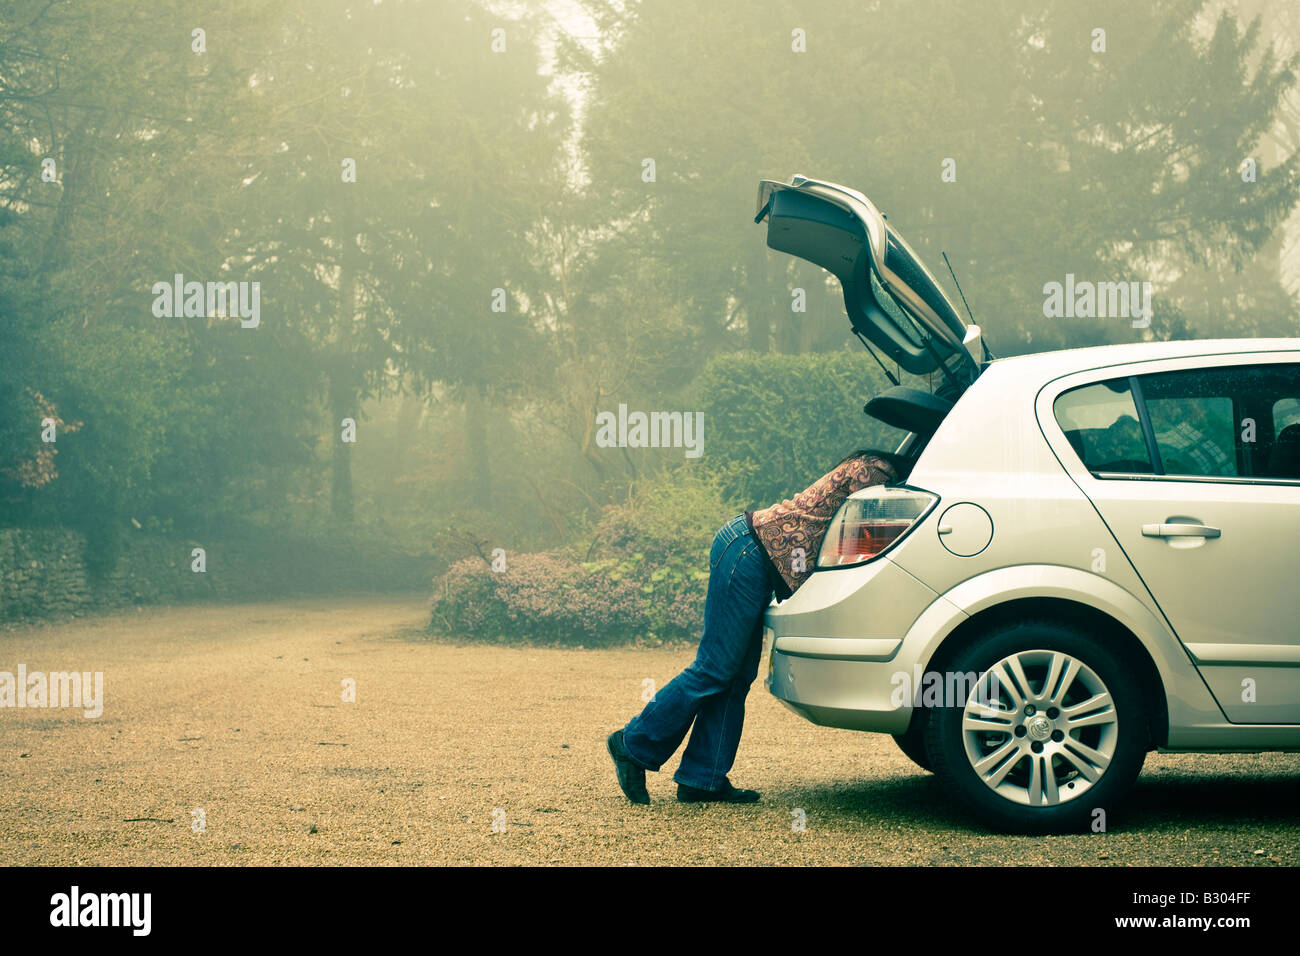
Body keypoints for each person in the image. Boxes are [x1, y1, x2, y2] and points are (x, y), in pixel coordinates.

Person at [607, 449, 901, 804]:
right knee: (714, 668)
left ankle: (703, 778)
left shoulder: (877, 470)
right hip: (747, 551)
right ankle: (631, 743)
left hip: (751, 554)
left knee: (735, 674)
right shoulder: (875, 470)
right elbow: (867, 530)